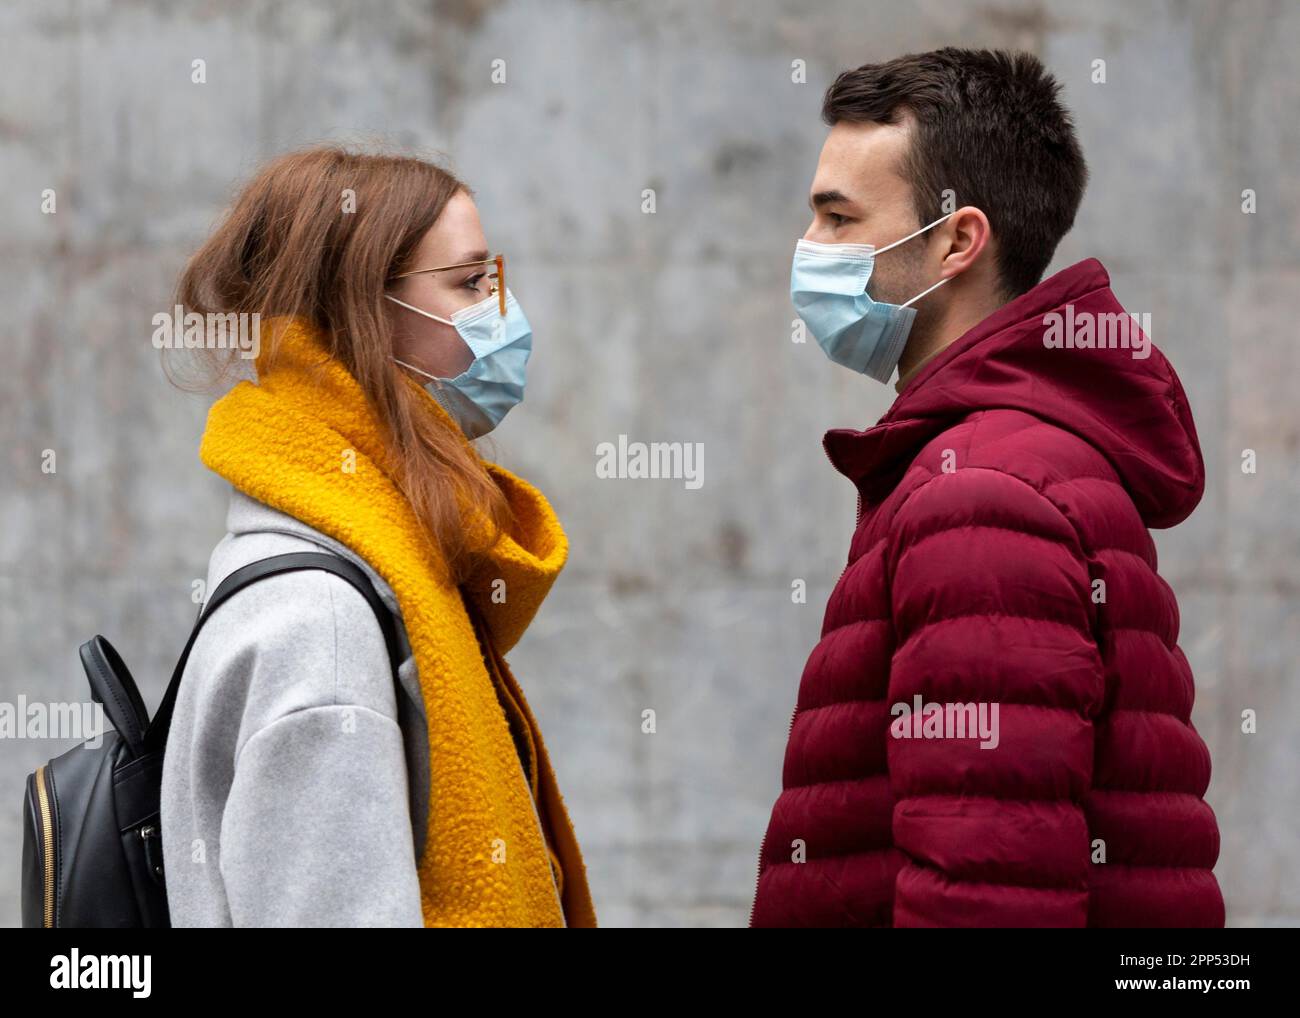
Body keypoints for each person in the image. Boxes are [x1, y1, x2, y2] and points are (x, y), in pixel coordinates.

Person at [751, 48, 1223, 927]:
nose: (807, 250)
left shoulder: (981, 498)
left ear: (957, 241)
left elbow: (988, 897)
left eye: (839, 217)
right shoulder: (1006, 461)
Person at [159, 145, 597, 927]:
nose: (504, 312)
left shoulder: (369, 568)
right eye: (470, 283)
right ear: (363, 311)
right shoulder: (320, 628)